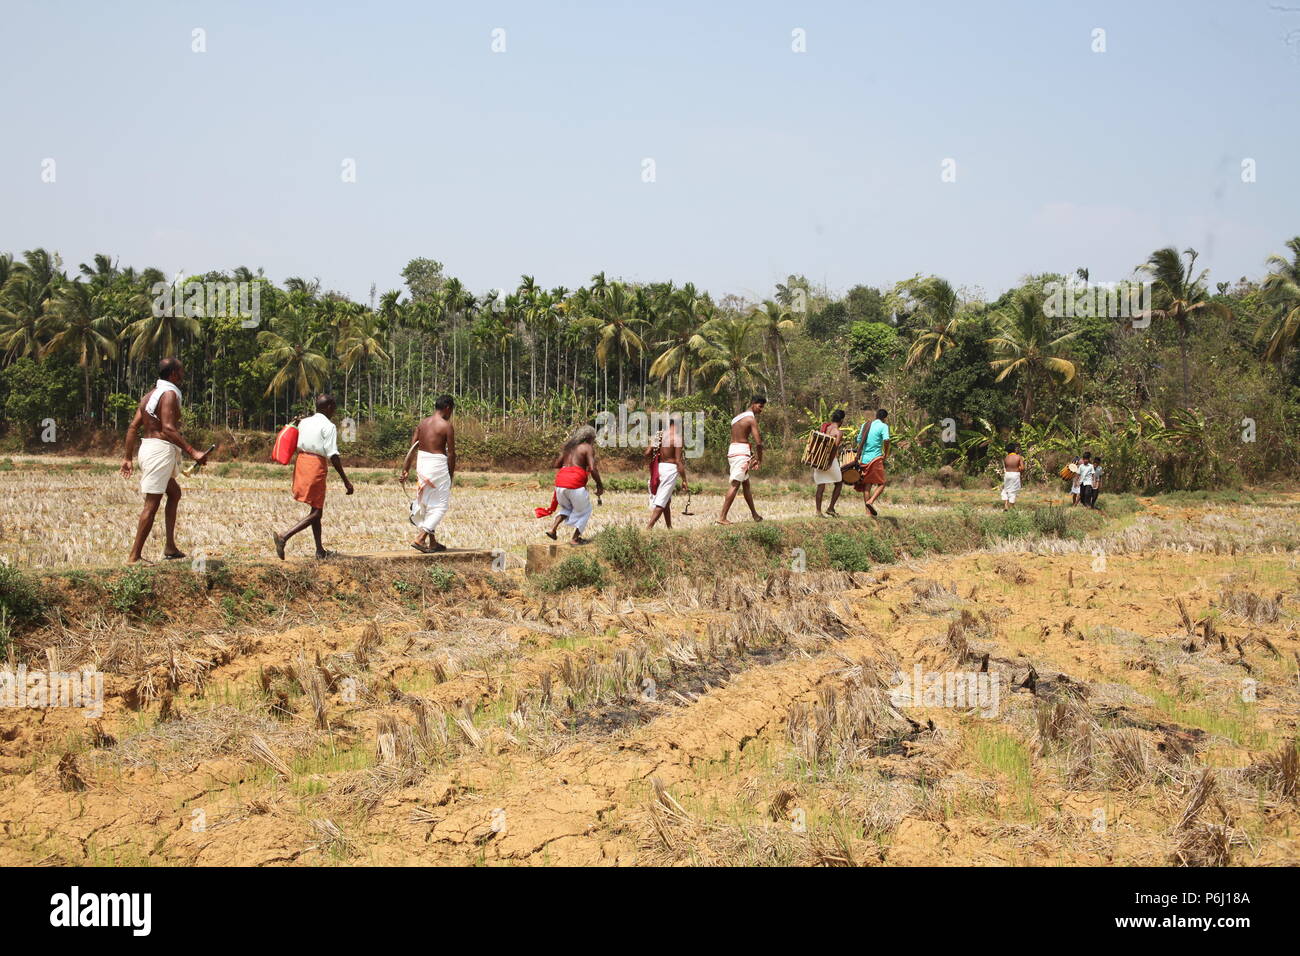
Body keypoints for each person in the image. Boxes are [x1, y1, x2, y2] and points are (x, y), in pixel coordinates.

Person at [120, 358, 210, 564]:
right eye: (181, 371)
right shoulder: (169, 394)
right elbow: (168, 428)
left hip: (149, 449)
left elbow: (133, 427)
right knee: (151, 505)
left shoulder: (148, 397)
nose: (183, 375)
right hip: (159, 452)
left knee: (174, 492)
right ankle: (134, 557)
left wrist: (128, 457)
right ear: (173, 375)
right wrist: (192, 451)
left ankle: (170, 547)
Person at [272, 394, 353, 559]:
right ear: (329, 407)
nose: (335, 412)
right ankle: (284, 537)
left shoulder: (304, 422)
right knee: (316, 512)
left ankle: (319, 550)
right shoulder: (329, 427)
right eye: (334, 408)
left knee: (316, 508)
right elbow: (333, 456)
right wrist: (346, 481)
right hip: (315, 465)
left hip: (301, 462)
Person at [400, 395, 456, 553]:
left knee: (426, 503)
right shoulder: (446, 426)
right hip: (437, 465)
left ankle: (432, 543)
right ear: (447, 408)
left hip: (422, 464)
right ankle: (420, 538)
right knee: (440, 506)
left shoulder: (423, 423)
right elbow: (451, 454)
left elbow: (412, 448)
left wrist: (405, 469)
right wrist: (450, 475)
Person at [536, 425, 604, 544]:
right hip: (575, 483)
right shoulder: (587, 447)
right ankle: (575, 539)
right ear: (590, 438)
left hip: (560, 483)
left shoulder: (568, 448)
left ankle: (553, 529)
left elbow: (557, 464)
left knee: (567, 508)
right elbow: (593, 469)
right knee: (585, 510)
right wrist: (599, 485)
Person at [718, 395, 766, 524]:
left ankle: (755, 515)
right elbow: (759, 443)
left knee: (746, 484)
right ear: (753, 404)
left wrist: (749, 455)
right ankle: (722, 517)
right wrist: (759, 459)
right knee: (735, 484)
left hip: (733, 450)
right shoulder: (751, 419)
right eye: (760, 406)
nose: (761, 410)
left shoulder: (736, 418)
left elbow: (737, 437)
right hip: (741, 453)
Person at [646, 414, 689, 530]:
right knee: (661, 501)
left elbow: (647, 453)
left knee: (666, 500)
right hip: (670, 469)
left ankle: (669, 527)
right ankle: (648, 528)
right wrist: (684, 480)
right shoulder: (677, 438)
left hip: (659, 467)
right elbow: (678, 461)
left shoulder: (660, 435)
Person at [856, 408, 890, 516]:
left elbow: (858, 440)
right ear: (885, 418)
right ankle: (870, 501)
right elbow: (887, 439)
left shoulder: (865, 425)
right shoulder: (883, 426)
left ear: (876, 415)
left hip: (864, 459)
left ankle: (867, 513)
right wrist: (886, 452)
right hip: (875, 459)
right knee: (882, 483)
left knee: (867, 485)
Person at [813, 409, 846, 517]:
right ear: (841, 420)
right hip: (830, 460)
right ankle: (831, 508)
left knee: (821, 485)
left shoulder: (825, 427)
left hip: (819, 458)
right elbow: (834, 448)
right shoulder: (838, 432)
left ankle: (818, 511)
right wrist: (830, 463)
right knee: (839, 483)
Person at [1001, 442, 1025, 510]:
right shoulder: (1018, 457)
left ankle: (1006, 505)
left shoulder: (1006, 458)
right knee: (1013, 490)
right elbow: (1022, 468)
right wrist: (1019, 469)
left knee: (1006, 489)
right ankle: (1011, 507)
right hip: (1015, 475)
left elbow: (1006, 467)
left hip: (1007, 474)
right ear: (1014, 449)